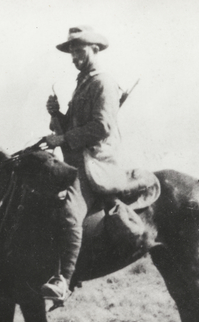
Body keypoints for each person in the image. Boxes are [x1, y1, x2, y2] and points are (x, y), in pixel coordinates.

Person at [41, 26, 122, 301]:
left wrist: (62, 137)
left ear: (94, 49)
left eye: (79, 50)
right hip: (75, 160)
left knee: (68, 212)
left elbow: (101, 127)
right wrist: (57, 114)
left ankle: (64, 280)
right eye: (72, 52)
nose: (74, 56)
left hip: (94, 163)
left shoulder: (103, 82)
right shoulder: (82, 83)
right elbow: (74, 128)